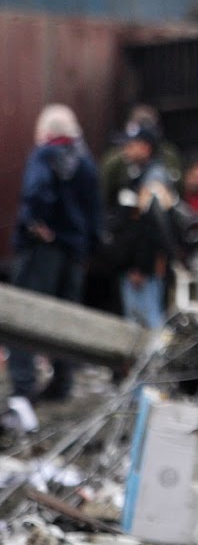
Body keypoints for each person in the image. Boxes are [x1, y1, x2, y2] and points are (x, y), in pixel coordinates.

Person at [7, 105, 101, 405]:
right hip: (73, 252)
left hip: (44, 251)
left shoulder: (44, 155)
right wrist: (86, 246)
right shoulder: (85, 161)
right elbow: (95, 211)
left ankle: (23, 386)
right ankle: (62, 384)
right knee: (66, 320)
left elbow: (35, 193)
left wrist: (35, 225)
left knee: (24, 315)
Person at [103, 126, 176, 330]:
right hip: (134, 267)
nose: (125, 149)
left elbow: (152, 227)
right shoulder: (138, 176)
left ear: (145, 148)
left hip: (144, 271)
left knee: (146, 327)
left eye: (131, 144)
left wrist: (141, 267)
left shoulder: (154, 179)